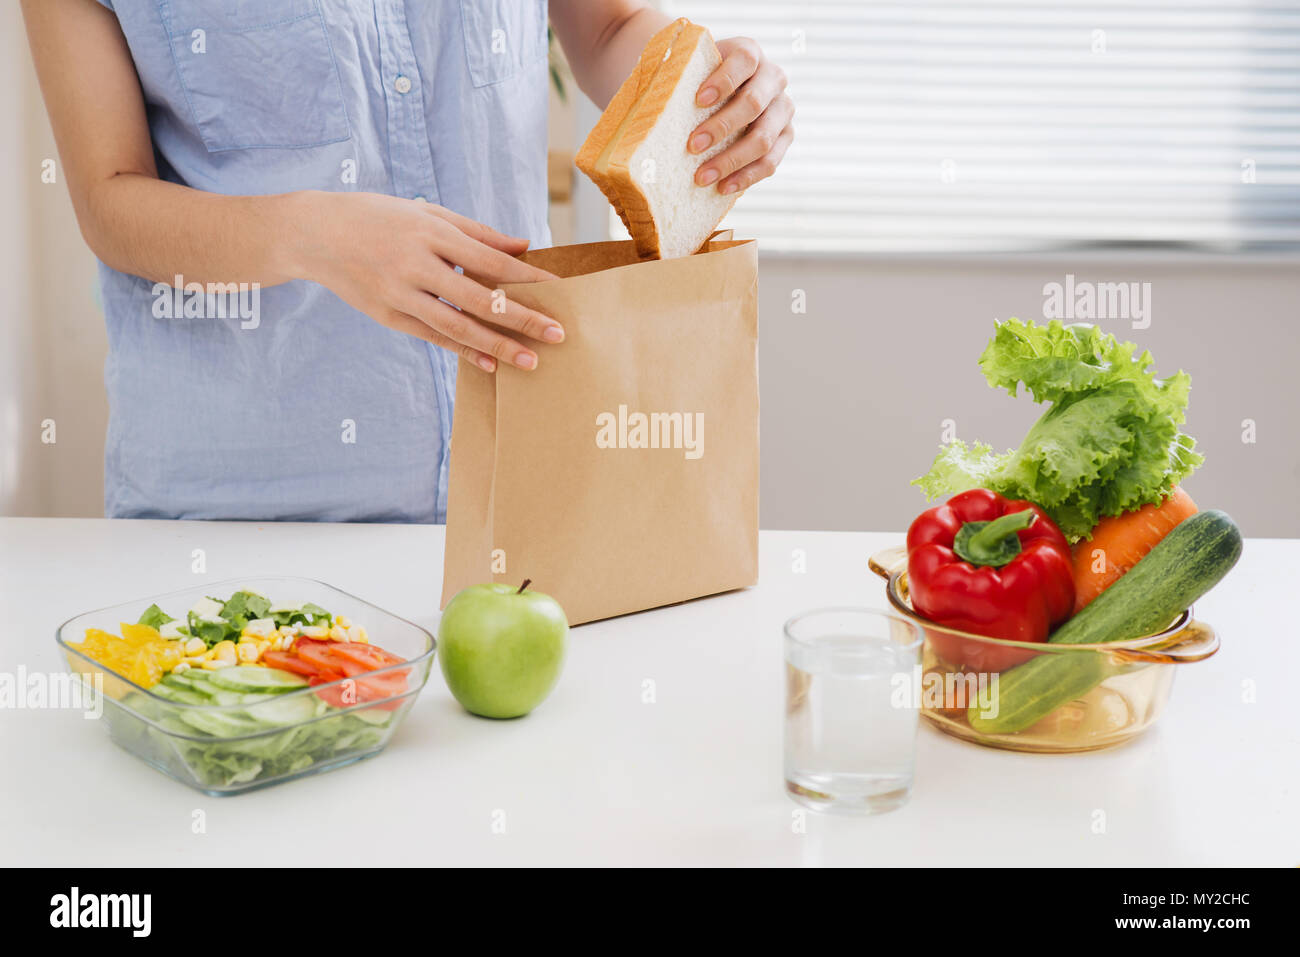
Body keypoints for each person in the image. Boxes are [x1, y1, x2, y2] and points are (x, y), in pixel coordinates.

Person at [22, 0, 795, 522]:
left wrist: (711, 100)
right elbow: (107, 197)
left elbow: (607, 25)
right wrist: (310, 234)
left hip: (516, 472)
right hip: (242, 504)